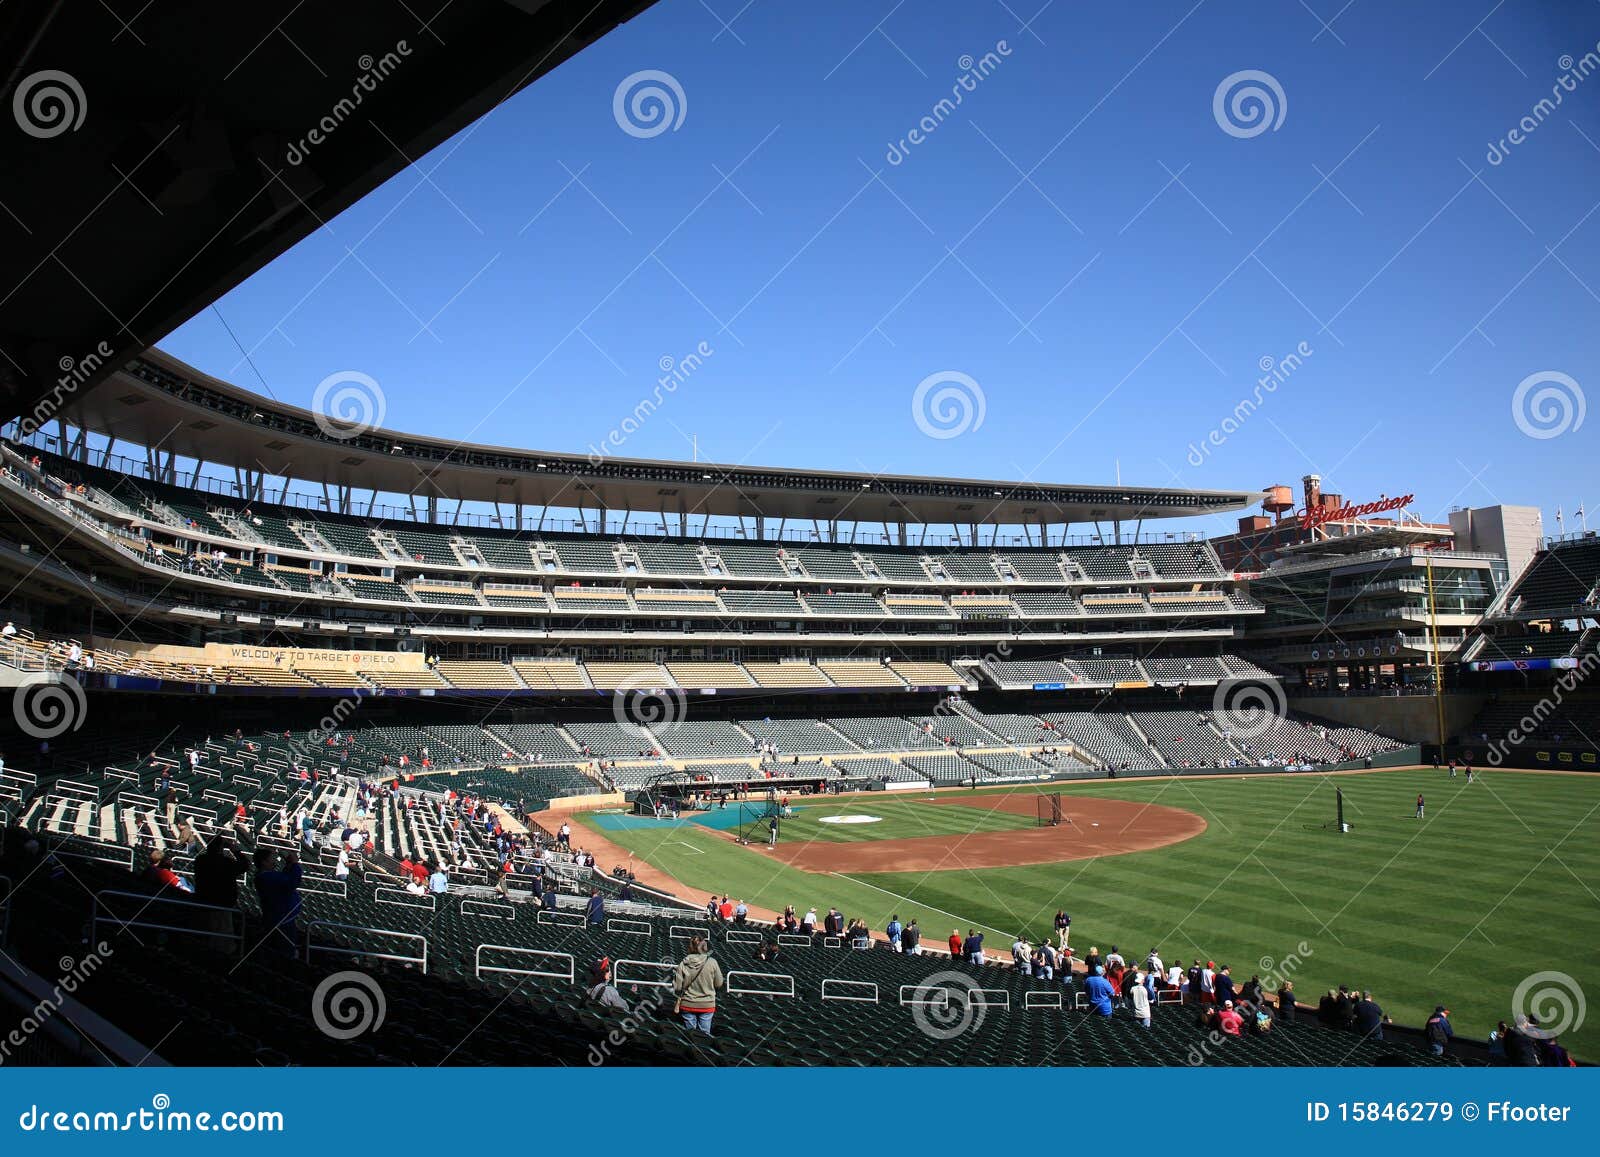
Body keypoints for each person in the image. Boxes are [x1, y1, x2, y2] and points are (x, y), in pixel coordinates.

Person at [672, 935, 725, 1035]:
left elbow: (677, 987)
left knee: (691, 1035)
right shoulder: (712, 962)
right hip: (707, 1004)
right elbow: (719, 984)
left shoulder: (683, 963)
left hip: (687, 1003)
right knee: (704, 1037)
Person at [254, 848, 302, 957]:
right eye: (272, 859)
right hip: (281, 921)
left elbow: (284, 879)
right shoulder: (265, 877)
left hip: (282, 920)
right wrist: (295, 864)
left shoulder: (267, 876)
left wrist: (289, 866)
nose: (274, 861)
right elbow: (292, 882)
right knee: (285, 953)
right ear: (264, 862)